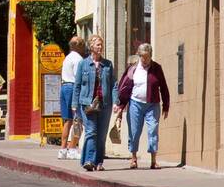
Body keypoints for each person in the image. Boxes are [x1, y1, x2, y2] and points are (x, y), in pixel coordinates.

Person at [115, 42, 170, 169]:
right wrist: (121, 106)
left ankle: (153, 160)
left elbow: (164, 88)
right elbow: (125, 88)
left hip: (153, 104)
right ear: (138, 55)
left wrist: (166, 105)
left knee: (153, 130)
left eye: (147, 56)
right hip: (135, 104)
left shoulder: (157, 68)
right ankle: (133, 158)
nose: (145, 59)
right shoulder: (132, 69)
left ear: (151, 55)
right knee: (134, 132)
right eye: (142, 56)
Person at [72, 34, 116, 171]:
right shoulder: (83, 64)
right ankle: (89, 161)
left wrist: (116, 101)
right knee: (91, 132)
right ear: (91, 47)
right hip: (88, 103)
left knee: (101, 135)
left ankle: (98, 162)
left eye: (101, 44)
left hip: (105, 103)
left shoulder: (108, 64)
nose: (100, 47)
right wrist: (74, 104)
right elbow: (77, 85)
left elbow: (114, 85)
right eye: (98, 44)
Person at [58, 36, 85, 160]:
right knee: (77, 119)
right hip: (73, 87)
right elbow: (78, 77)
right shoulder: (78, 59)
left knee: (67, 120)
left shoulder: (67, 58)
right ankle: (73, 148)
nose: (84, 47)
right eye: (83, 44)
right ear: (78, 45)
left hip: (64, 86)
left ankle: (63, 149)